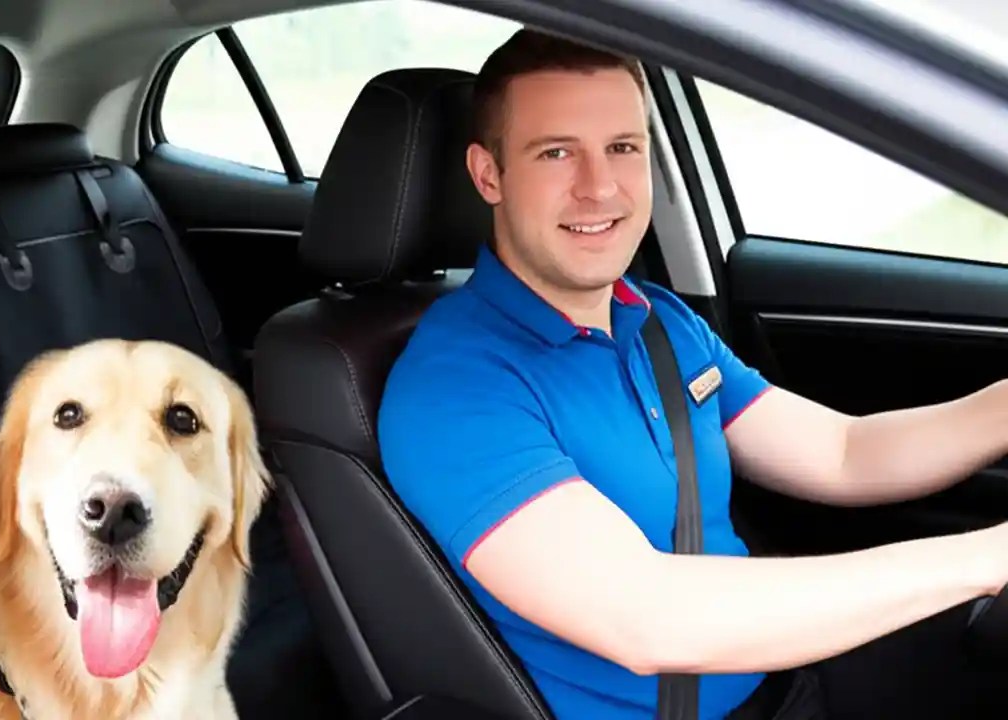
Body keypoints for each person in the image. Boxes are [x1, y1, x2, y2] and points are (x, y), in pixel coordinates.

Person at [376, 28, 1008, 720]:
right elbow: (651, 617)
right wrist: (983, 558)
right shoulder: (453, 388)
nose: (600, 187)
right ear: (488, 174)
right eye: (557, 153)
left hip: (783, 681)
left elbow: (844, 453)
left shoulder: (658, 322)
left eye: (623, 148)